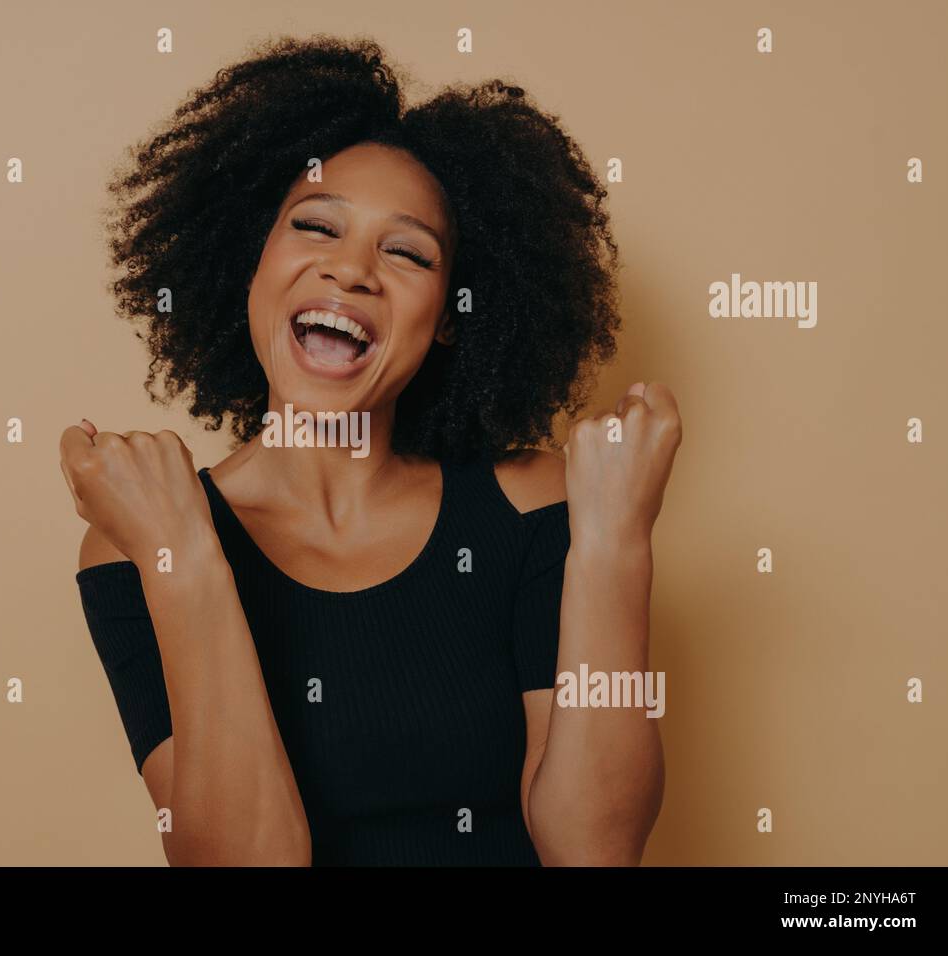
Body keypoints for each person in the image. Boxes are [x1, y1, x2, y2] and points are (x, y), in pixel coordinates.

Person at [59, 34, 681, 866]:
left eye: (406, 251)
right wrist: (181, 553)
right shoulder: (137, 540)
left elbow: (594, 851)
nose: (351, 270)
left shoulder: (529, 504)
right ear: (253, 262)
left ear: (453, 313)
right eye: (316, 226)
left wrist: (617, 545)